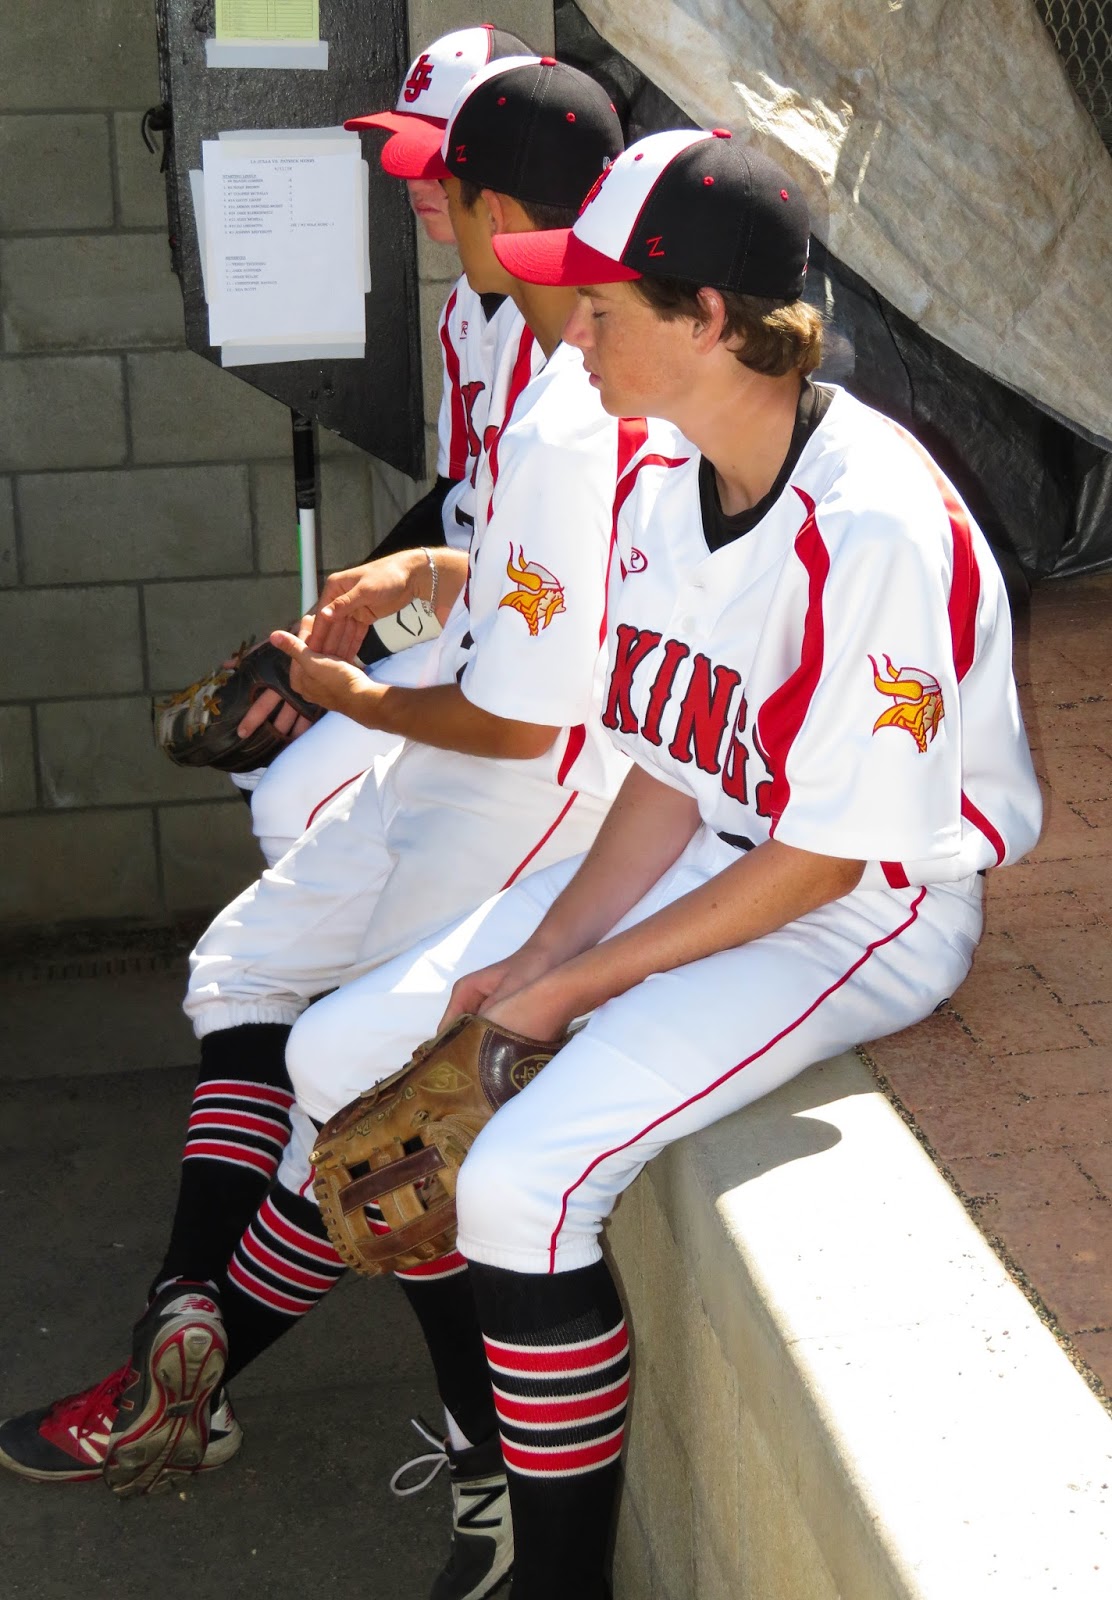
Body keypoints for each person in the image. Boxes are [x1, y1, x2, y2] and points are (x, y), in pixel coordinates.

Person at [282, 128, 1044, 1599]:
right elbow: (662, 783)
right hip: (732, 857)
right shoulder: (660, 478)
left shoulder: (872, 518)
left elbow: (828, 862)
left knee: (524, 1183)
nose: (573, 328)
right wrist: (537, 957)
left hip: (866, 905)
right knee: (337, 1057)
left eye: (607, 305)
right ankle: (496, 1449)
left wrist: (572, 993)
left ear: (709, 321)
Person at [0, 63, 667, 1600]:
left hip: (553, 782)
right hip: (508, 722)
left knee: (352, 1097)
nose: (419, 199)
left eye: (442, 179)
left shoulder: (596, 379)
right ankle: (193, 1327)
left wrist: (347, 702)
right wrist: (414, 584)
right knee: (245, 973)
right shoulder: (523, 338)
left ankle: (394, 1428)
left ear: (505, 206)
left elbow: (533, 707)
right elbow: (515, 576)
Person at [233, 24, 545, 867]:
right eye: (401, 152)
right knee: (280, 709)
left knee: (289, 793)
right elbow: (453, 506)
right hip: (460, 588)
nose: (407, 176)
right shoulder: (461, 310)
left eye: (433, 156)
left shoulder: (567, 321)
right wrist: (333, 632)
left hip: (527, 615)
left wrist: (362, 654)